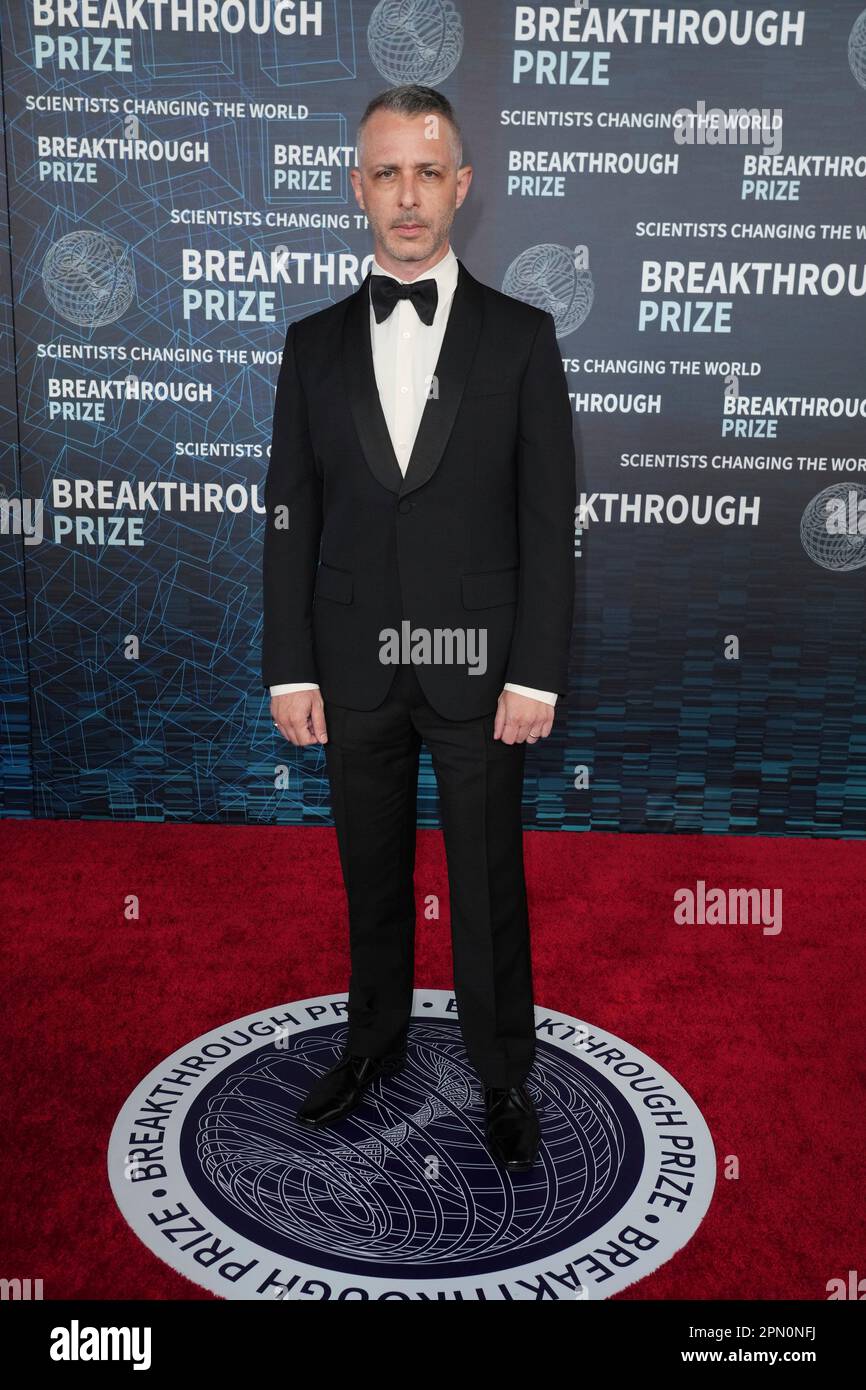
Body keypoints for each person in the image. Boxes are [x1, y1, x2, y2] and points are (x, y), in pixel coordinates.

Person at [261, 84, 576, 1171]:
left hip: (481, 670)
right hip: (349, 665)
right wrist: (286, 667)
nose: (406, 195)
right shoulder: (308, 346)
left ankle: (501, 1072)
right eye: (385, 172)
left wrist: (533, 672)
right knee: (369, 868)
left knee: (488, 877)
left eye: (426, 171)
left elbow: (546, 521)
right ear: (357, 187)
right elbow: (287, 515)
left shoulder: (523, 338)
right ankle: (373, 1042)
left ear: (461, 186)